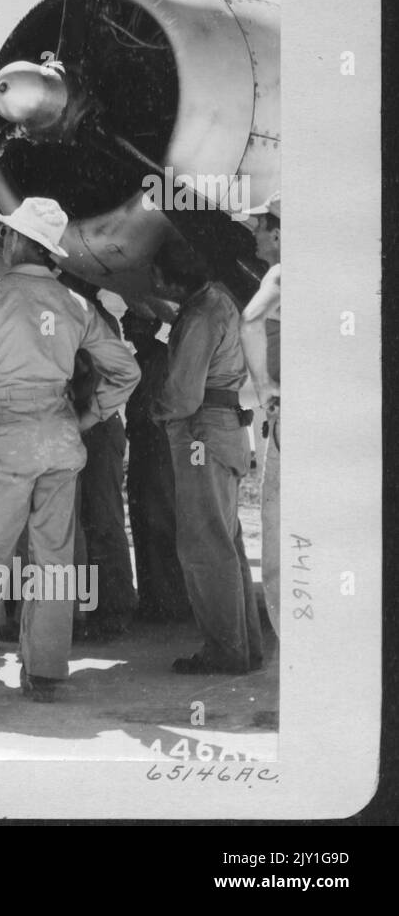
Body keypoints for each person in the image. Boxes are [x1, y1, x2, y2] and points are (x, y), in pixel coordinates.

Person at [0, 198, 140, 703]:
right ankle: (46, 671)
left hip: (6, 434)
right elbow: (127, 372)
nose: (3, 239)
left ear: (18, 241)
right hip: (60, 437)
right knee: (53, 558)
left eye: (7, 234)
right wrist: (89, 417)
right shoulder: (77, 305)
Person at [151, 241, 263, 674]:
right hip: (225, 433)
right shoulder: (219, 301)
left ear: (170, 276)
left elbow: (182, 395)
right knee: (225, 541)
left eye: (157, 275)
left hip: (201, 434)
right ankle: (243, 647)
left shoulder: (199, 314)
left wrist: (155, 409)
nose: (154, 281)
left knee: (203, 545)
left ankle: (224, 650)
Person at [61, 274, 137, 641]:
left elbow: (102, 375)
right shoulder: (89, 316)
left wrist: (85, 416)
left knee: (103, 518)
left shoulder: (94, 319)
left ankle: (116, 608)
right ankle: (95, 609)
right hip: (88, 423)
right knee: (88, 521)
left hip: (97, 424)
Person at [120, 309, 191, 621]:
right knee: (142, 520)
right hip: (142, 446)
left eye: (131, 318)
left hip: (158, 447)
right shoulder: (141, 359)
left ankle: (171, 601)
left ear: (149, 324)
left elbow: (160, 406)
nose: (124, 323)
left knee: (160, 520)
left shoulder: (161, 358)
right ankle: (153, 599)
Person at [238, 200, 281, 638]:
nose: (255, 233)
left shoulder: (282, 273)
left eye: (262, 226)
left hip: (292, 422)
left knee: (280, 539)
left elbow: (250, 322)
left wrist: (265, 386)